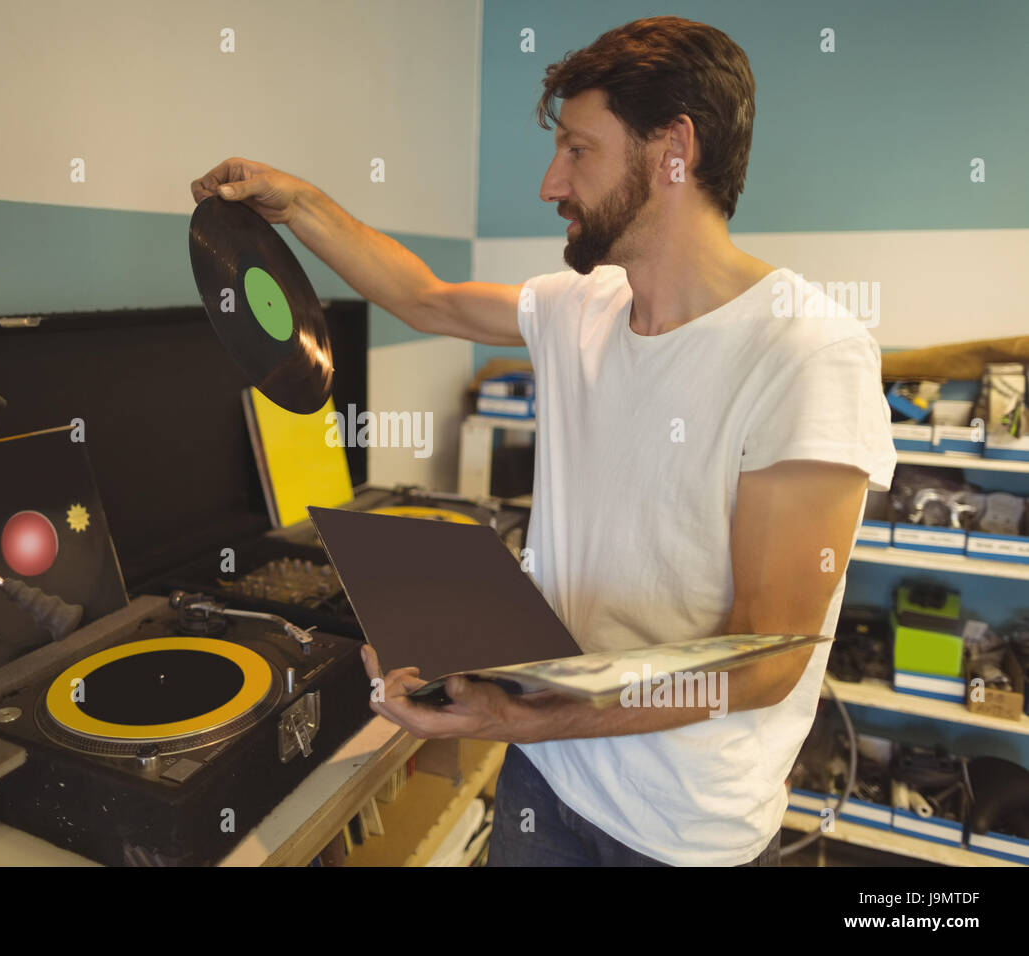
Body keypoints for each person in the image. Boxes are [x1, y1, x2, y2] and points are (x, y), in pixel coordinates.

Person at [191, 15, 896, 867]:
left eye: (577, 151)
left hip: (678, 831)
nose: (549, 183)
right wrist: (299, 204)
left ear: (674, 149)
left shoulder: (805, 353)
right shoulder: (581, 308)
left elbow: (763, 661)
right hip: (547, 783)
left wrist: (523, 717)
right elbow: (427, 299)